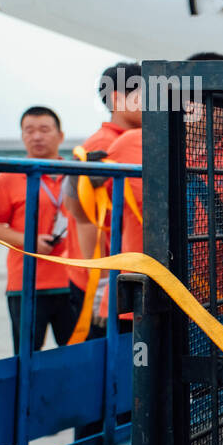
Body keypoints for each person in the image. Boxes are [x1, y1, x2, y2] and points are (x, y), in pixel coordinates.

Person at [62, 62, 144, 338]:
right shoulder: (103, 145)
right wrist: (98, 292)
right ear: (117, 98)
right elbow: (83, 219)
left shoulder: (135, 140)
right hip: (100, 281)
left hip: (115, 276)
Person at [0, 107, 74, 353]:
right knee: (26, 359)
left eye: (44, 129)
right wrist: (28, 240)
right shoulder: (8, 177)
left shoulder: (77, 174)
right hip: (25, 284)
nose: (37, 136)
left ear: (60, 135)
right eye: (29, 130)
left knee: (79, 358)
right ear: (22, 136)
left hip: (73, 281)